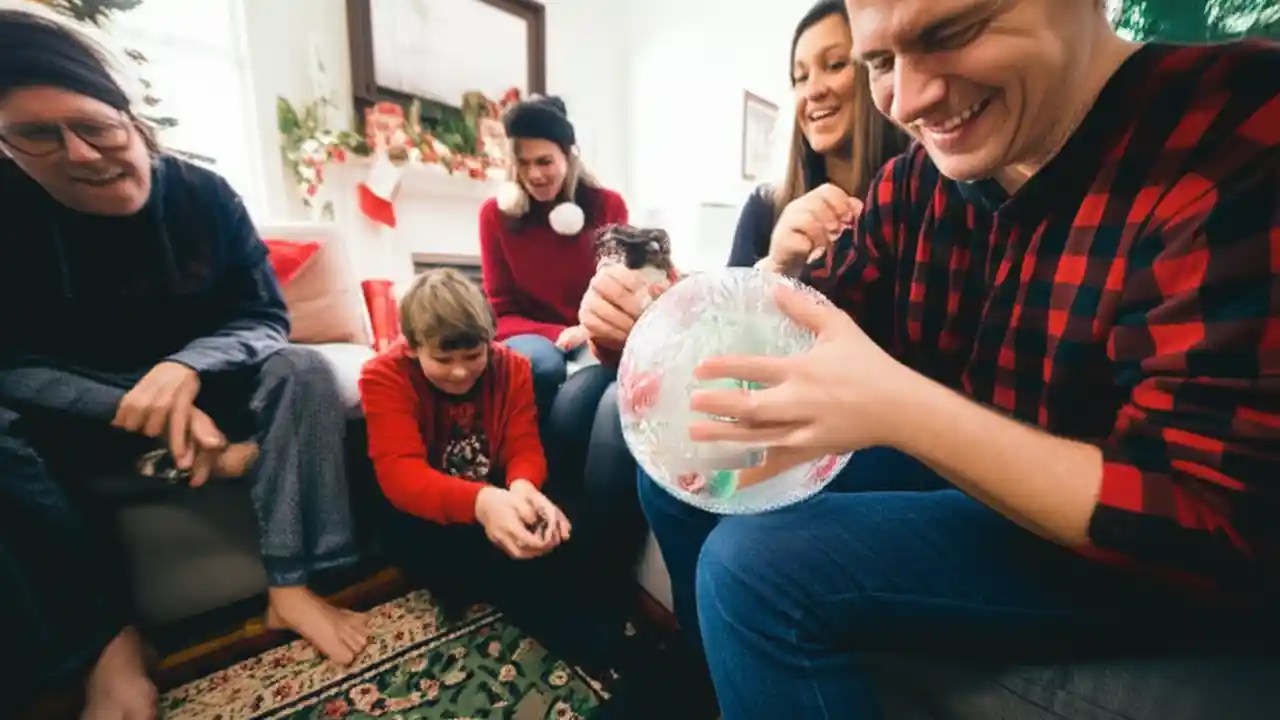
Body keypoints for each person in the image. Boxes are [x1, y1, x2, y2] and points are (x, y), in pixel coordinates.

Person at [580, 0, 1280, 717]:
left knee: (752, 570)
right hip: (960, 480)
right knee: (689, 463)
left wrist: (899, 408)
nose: (907, 102)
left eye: (952, 33)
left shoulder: (1236, 125)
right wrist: (650, 318)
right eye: (880, 62)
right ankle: (712, 682)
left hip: (1119, 543)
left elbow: (1212, 520)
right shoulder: (915, 184)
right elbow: (795, 324)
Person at [0, 8, 369, 719]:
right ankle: (106, 645)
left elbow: (265, 317)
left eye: (95, 127)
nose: (79, 154)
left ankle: (291, 585)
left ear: (133, 122)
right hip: (77, 407)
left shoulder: (205, 197)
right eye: (37, 136)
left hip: (212, 386)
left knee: (307, 371)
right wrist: (118, 404)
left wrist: (186, 367)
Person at [478, 94, 629, 420]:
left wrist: (587, 330)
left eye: (544, 161)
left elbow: (618, 298)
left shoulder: (608, 207)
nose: (533, 175)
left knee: (577, 402)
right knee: (540, 367)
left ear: (568, 155)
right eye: (523, 163)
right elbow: (500, 311)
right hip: (530, 337)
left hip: (593, 336)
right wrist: (559, 334)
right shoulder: (494, 216)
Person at [726, 0, 908, 269]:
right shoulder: (765, 209)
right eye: (800, 77)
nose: (813, 91)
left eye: (835, 65)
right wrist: (775, 268)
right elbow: (724, 310)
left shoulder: (924, 198)